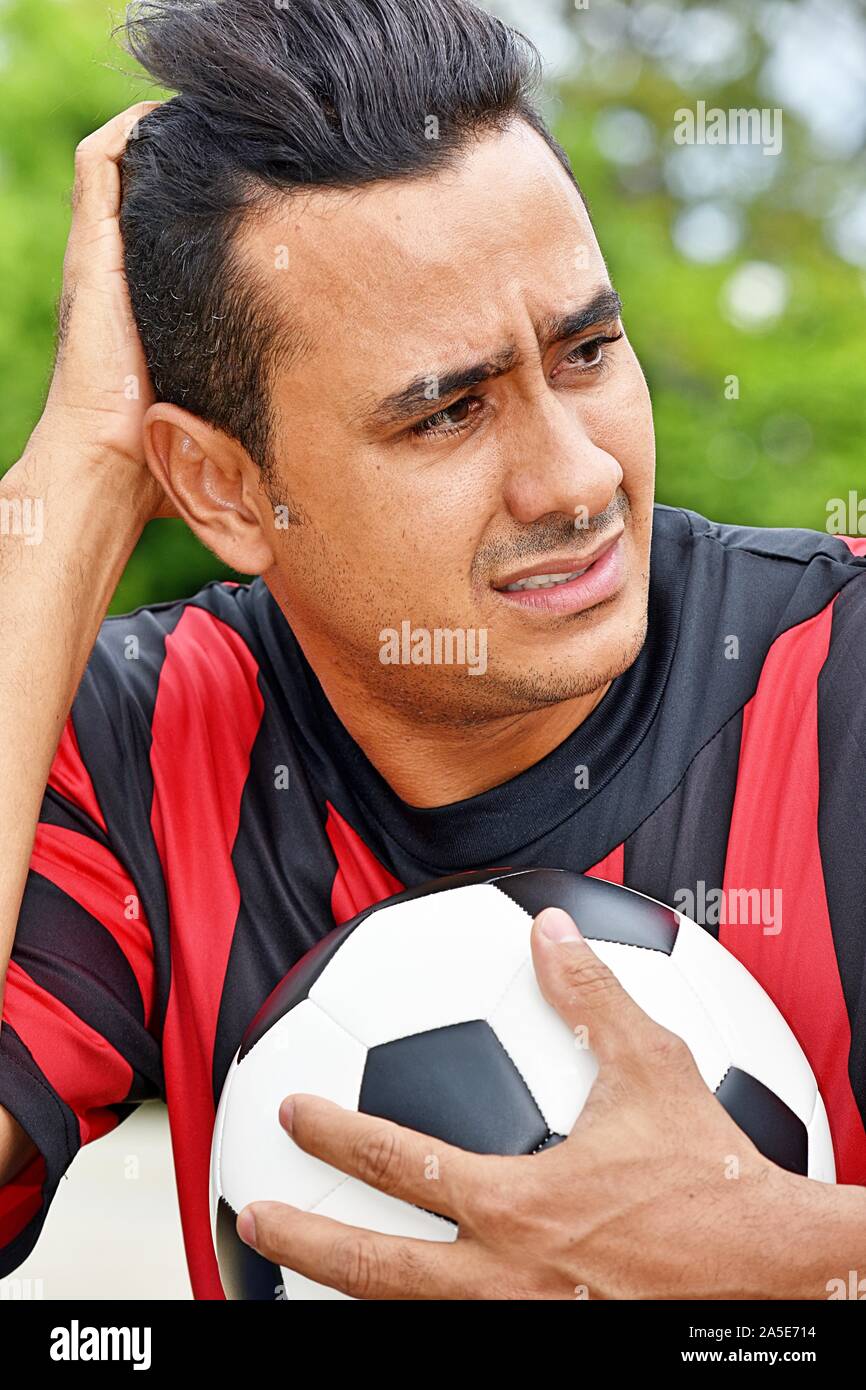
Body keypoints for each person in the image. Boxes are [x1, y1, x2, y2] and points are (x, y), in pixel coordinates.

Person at [0, 0, 864, 1300]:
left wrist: (797, 1265)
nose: (574, 482)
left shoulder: (835, 673)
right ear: (224, 489)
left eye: (585, 351)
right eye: (447, 413)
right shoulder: (138, 743)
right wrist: (76, 474)